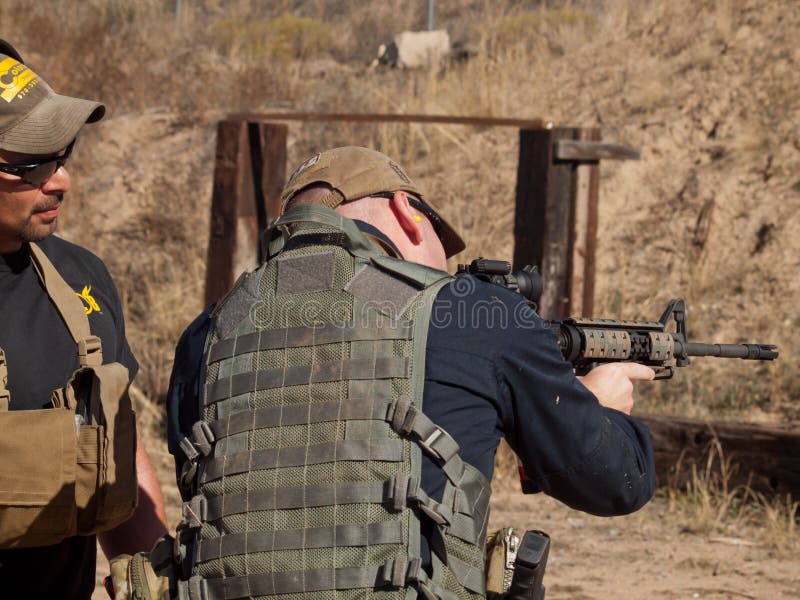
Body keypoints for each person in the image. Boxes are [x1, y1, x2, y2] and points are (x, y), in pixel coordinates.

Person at [165, 146, 655, 599]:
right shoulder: (470, 310)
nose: (448, 262)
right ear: (406, 211)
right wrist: (597, 409)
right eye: (441, 238)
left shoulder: (206, 334)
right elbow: (616, 481)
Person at [0, 40, 167, 598]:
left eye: (63, 154)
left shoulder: (80, 278)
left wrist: (149, 575)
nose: (60, 180)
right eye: (28, 164)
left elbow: (116, 440)